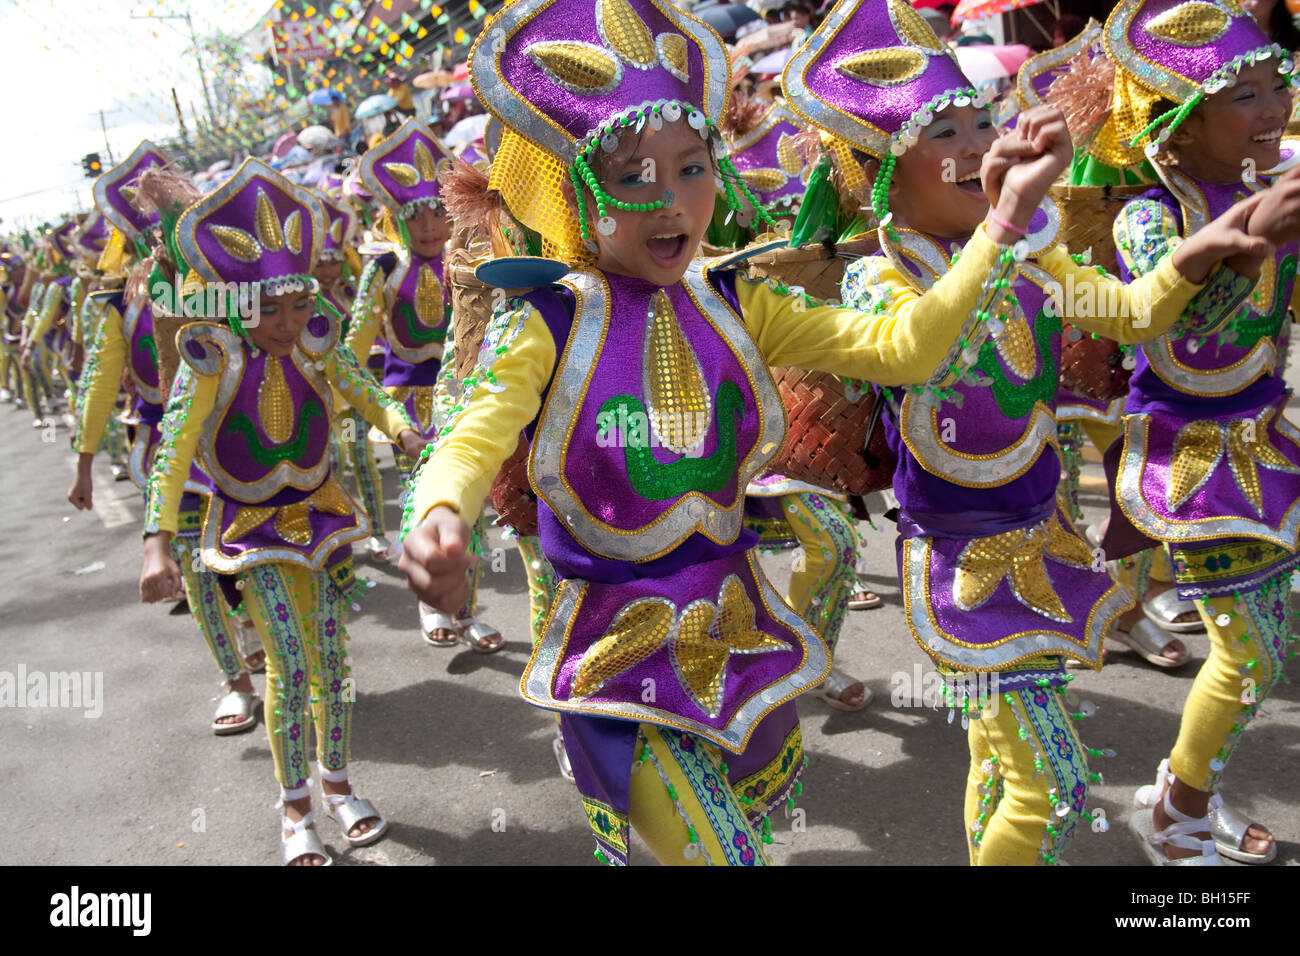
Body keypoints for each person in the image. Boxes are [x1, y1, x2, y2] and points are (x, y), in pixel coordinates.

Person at [401, 0, 1029, 865]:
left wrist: (999, 227)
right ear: (579, 190)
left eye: (691, 167)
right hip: (617, 661)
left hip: (740, 641)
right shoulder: (551, 318)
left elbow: (909, 349)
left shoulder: (739, 301)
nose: (671, 201)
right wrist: (440, 509)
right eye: (633, 175)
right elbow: (476, 432)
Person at [788, 0, 1272, 865]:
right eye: (945, 131)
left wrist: (1204, 252)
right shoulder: (876, 275)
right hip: (959, 564)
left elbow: (1124, 314)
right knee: (1049, 781)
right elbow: (916, 349)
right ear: (880, 174)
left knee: (999, 761)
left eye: (982, 119)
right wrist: (1007, 227)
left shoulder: (1031, 249)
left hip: (1045, 533)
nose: (977, 143)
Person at [138, 158, 426, 866]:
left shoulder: (319, 339)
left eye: (298, 304)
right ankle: (294, 808)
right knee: (291, 667)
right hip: (248, 528)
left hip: (320, 519)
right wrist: (156, 541)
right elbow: (174, 448)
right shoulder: (211, 356)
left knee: (333, 661)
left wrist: (401, 426)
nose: (289, 322)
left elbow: (363, 389)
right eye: (271, 309)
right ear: (238, 307)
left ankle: (338, 785)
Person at [1081, 0, 1300, 865]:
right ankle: (1177, 810)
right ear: (1176, 127)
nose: (1274, 105)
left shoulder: (1261, 188)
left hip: (1263, 441)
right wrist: (1254, 241)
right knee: (1249, 659)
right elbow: (1169, 320)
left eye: (1276, 83)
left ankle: (1182, 789)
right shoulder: (1149, 213)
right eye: (1243, 94)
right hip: (1189, 458)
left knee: (1262, 652)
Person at [345, 118, 504, 650]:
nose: (431, 226)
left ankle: (467, 608)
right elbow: (357, 338)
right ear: (397, 219)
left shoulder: (472, 260)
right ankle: (431, 606)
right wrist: (339, 388)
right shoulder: (385, 268)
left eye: (439, 211)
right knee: (426, 500)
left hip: (463, 395)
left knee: (471, 503)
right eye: (418, 216)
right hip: (410, 402)